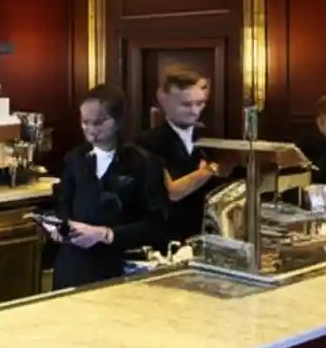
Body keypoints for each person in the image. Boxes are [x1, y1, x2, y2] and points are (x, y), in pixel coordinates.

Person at [42, 84, 168, 291]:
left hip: (118, 269)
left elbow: (156, 225)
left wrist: (105, 234)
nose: (91, 131)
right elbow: (62, 204)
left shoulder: (142, 163)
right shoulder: (74, 159)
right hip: (73, 267)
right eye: (85, 123)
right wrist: (60, 228)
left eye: (99, 123)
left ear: (118, 121)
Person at [135, 66, 226, 244]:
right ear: (165, 103)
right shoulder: (149, 142)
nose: (195, 111)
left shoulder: (210, 137)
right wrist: (208, 170)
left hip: (208, 236)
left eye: (200, 103)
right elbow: (172, 192)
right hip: (169, 238)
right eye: (186, 104)